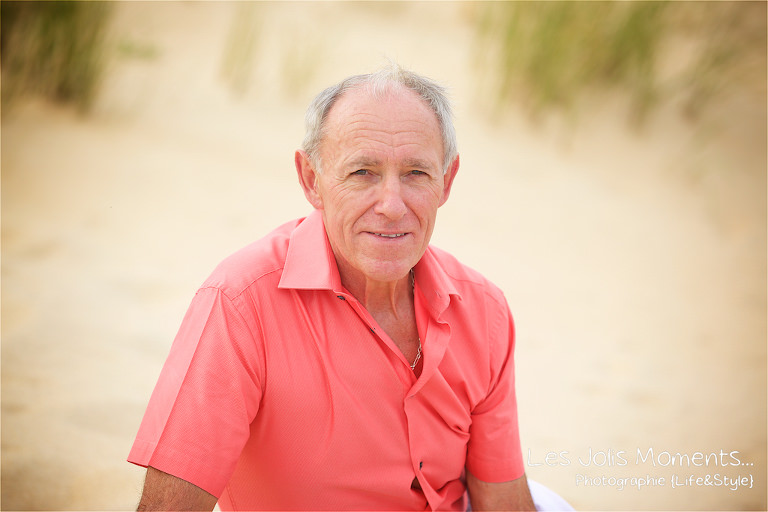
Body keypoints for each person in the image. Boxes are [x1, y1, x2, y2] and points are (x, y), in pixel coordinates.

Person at [129, 64, 544, 511]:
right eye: (363, 172)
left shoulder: (484, 310)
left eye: (416, 173)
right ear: (312, 180)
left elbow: (502, 501)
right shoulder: (240, 303)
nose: (391, 205)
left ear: (447, 180)